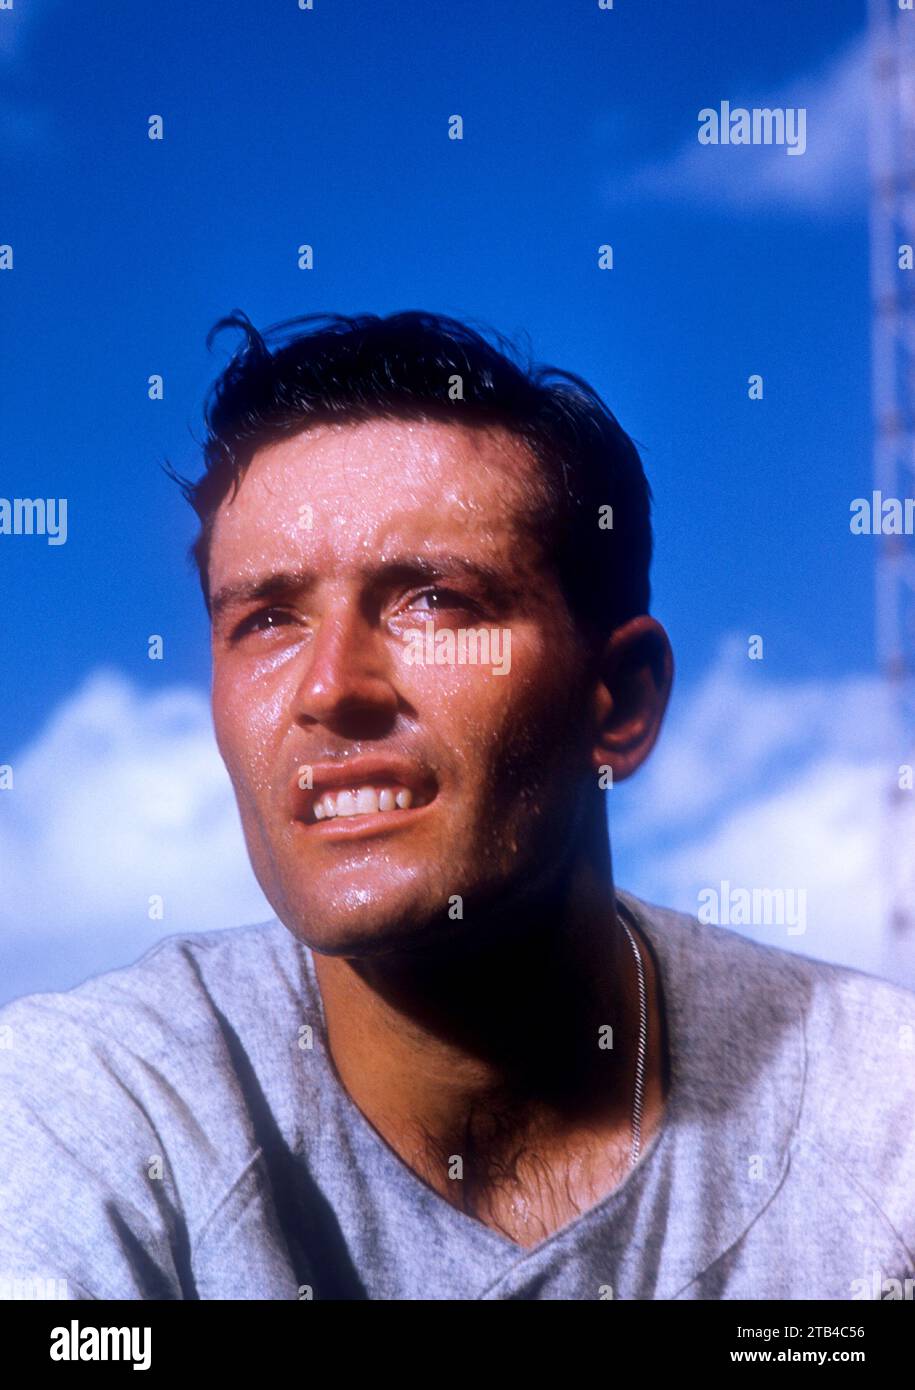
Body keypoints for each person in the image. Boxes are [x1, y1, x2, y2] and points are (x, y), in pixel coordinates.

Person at [1, 310, 913, 1301]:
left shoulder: (880, 1117)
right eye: (268, 618)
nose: (330, 687)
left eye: (433, 601)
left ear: (622, 703)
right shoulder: (94, 1108)